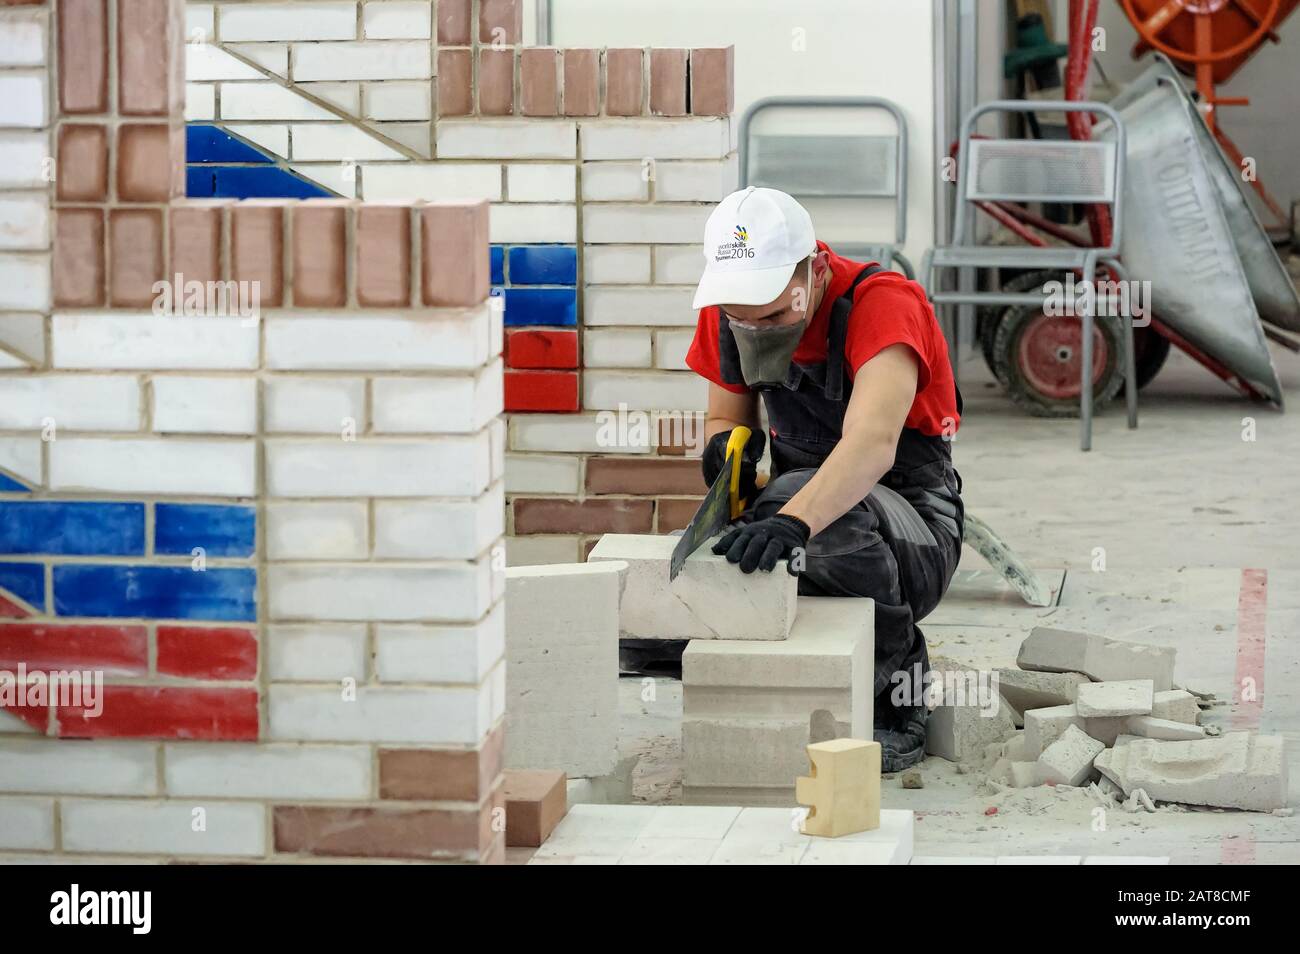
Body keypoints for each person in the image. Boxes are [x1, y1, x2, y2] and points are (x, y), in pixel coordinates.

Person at [686, 187, 964, 771]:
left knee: (804, 518)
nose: (757, 330)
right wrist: (723, 448)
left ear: (814, 272)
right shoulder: (728, 312)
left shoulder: (883, 304)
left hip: (913, 526)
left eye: (773, 315)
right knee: (745, 540)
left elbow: (872, 445)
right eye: (743, 319)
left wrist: (791, 520)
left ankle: (899, 692)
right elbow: (724, 415)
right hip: (805, 509)